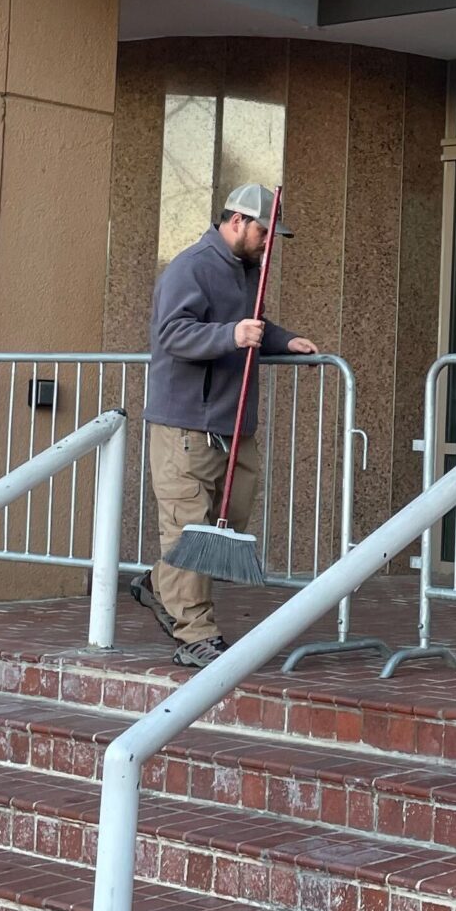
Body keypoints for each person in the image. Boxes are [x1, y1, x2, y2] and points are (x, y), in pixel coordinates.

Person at [129, 182, 320, 668]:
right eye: (264, 231)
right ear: (237, 221)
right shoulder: (190, 267)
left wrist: (283, 340)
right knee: (191, 533)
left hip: (232, 426)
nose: (269, 242)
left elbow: (254, 326)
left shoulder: (246, 271)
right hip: (186, 426)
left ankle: (159, 585)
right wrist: (232, 334)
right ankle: (195, 633)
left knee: (225, 526)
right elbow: (173, 333)